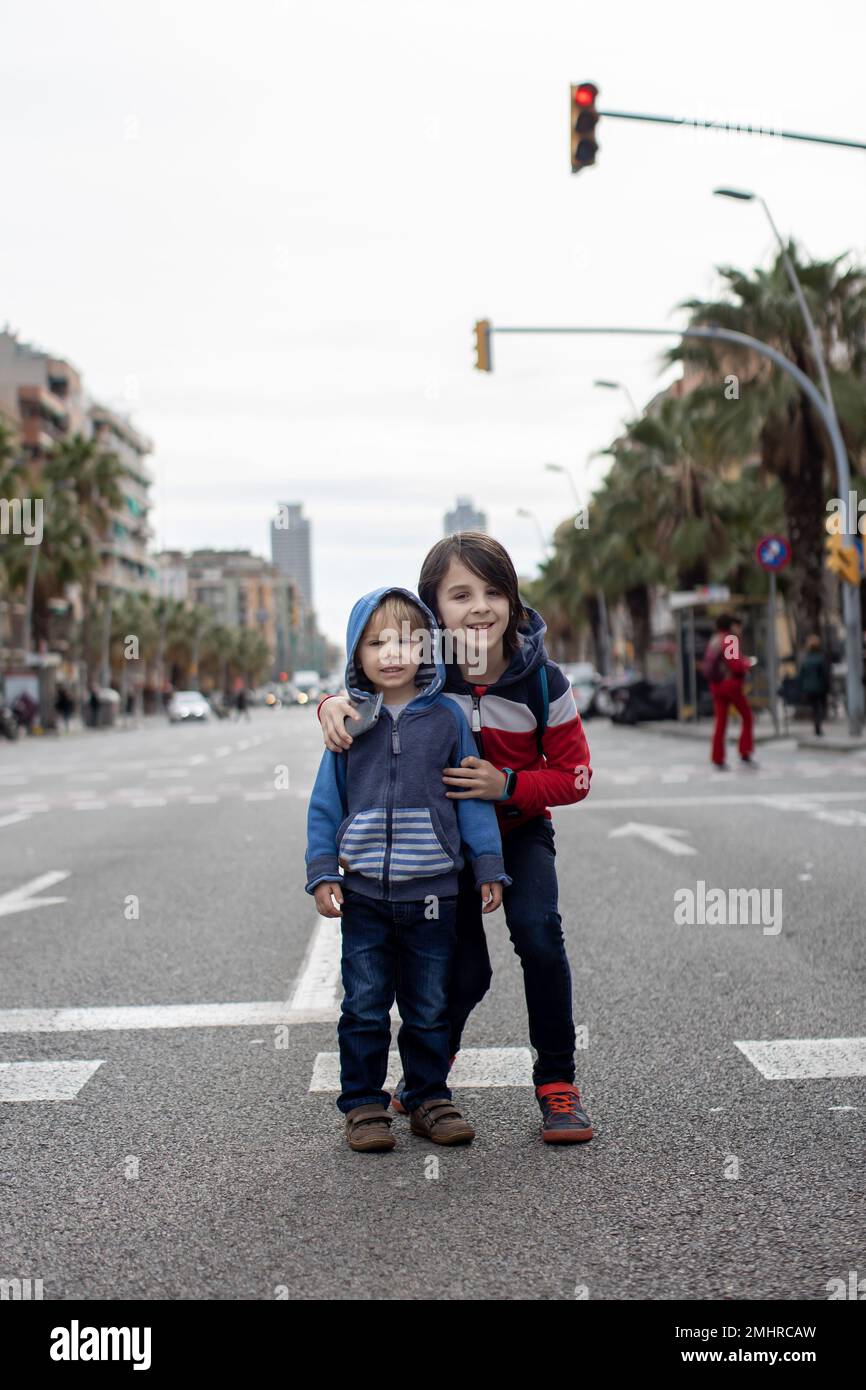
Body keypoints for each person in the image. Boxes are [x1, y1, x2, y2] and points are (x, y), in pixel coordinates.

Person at [318, 533, 595, 1144]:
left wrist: (508, 783)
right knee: (463, 975)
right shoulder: (426, 679)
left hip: (517, 834)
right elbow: (367, 696)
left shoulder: (543, 682)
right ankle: (427, 1080)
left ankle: (557, 1084)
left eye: (494, 591)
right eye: (460, 593)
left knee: (540, 936)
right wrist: (331, 703)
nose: (479, 607)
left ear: (514, 602)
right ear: (432, 609)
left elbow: (575, 777)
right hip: (442, 854)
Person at [306, 586, 510, 1153]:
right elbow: (326, 803)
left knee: (428, 1005)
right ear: (357, 654)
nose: (393, 652)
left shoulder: (445, 719)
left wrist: (487, 864)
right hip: (366, 893)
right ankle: (365, 1105)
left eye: (407, 639)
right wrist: (324, 870)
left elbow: (470, 797)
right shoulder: (349, 722)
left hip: (435, 894)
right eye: (377, 642)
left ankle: (428, 1097)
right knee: (365, 1005)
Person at [702, 613, 757, 770]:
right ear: (732, 625)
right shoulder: (729, 639)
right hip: (730, 685)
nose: (740, 629)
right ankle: (745, 751)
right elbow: (735, 665)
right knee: (747, 717)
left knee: (720, 722)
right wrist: (746, 663)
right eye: (738, 625)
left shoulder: (715, 639)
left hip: (716, 686)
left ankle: (717, 757)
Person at [798, 634, 830, 736]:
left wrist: (802, 688)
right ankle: (818, 726)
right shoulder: (821, 658)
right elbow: (824, 674)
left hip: (808, 688)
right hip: (819, 687)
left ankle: (816, 726)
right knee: (820, 707)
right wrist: (827, 686)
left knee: (814, 707)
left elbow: (801, 675)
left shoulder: (806, 659)